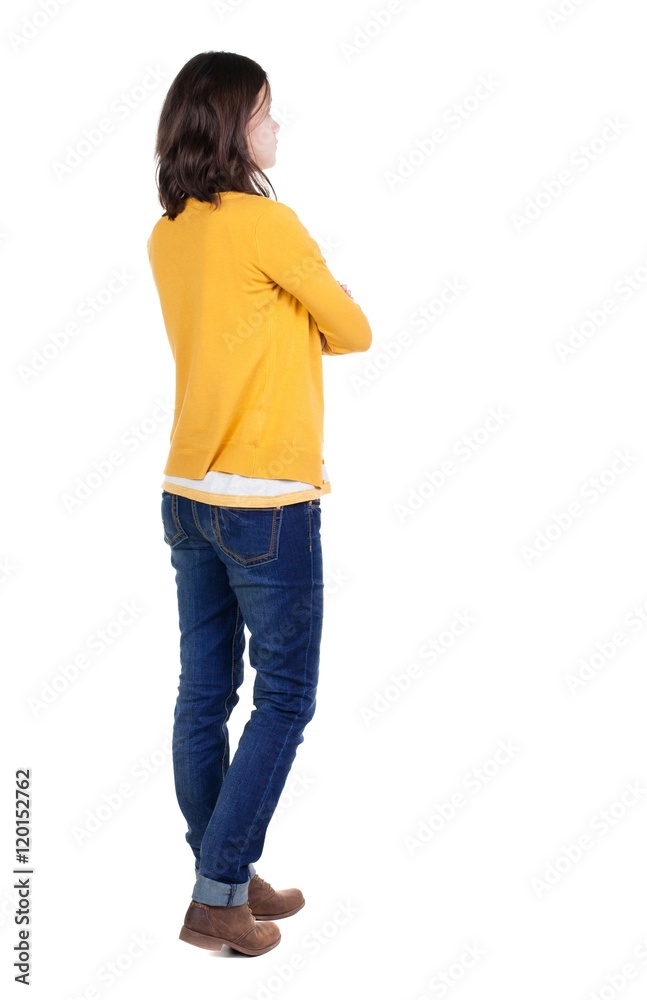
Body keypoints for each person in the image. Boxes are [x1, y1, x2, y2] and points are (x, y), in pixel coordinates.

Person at [147, 50, 372, 958]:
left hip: (187, 492)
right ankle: (215, 897)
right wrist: (304, 314)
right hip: (266, 501)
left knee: (205, 693)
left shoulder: (168, 233)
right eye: (266, 113)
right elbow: (352, 328)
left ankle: (224, 874)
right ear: (234, 125)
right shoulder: (267, 224)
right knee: (284, 700)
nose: (276, 129)